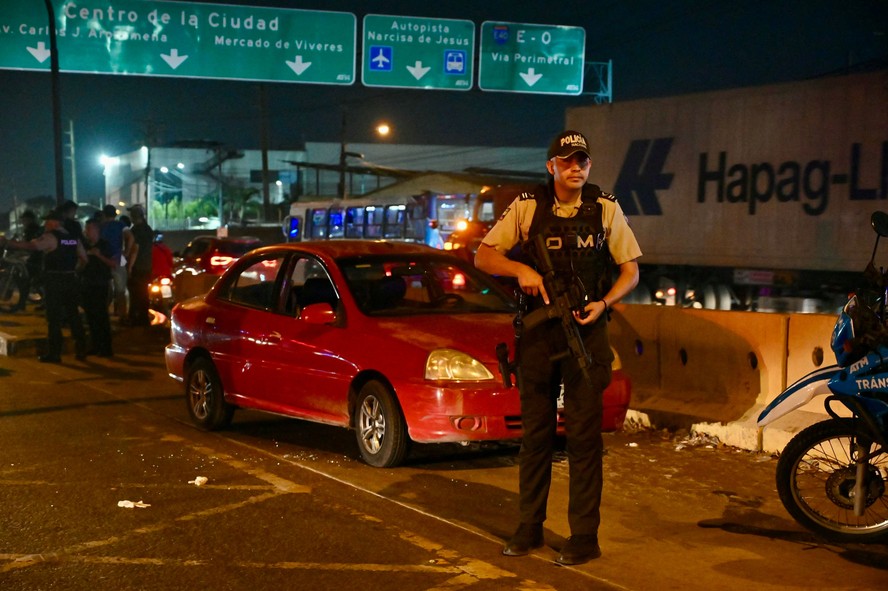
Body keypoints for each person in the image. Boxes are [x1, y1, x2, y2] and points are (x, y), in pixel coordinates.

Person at [474, 130, 642, 565]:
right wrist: (521, 271)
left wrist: (604, 303)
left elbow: (631, 271)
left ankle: (584, 536)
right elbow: (484, 256)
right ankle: (529, 528)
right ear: (551, 166)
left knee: (584, 439)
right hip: (539, 332)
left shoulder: (604, 207)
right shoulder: (529, 205)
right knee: (536, 436)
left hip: (587, 332)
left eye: (581, 160)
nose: (575, 168)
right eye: (567, 161)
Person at [0, 209, 88, 363]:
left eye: (47, 221)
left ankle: (55, 353)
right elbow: (84, 259)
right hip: (70, 279)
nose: (45, 224)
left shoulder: (50, 237)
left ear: (55, 222)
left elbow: (32, 246)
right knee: (73, 314)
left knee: (53, 318)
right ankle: (81, 349)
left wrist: (8, 242)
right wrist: (73, 271)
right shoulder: (73, 238)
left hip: (54, 280)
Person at [80, 218, 116, 357]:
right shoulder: (85, 245)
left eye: (89, 229)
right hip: (87, 283)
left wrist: (98, 255)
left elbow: (114, 263)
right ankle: (95, 345)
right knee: (91, 317)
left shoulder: (105, 245)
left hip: (100, 284)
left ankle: (106, 348)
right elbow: (68, 242)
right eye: (86, 229)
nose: (86, 231)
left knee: (101, 316)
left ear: (96, 230)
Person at [124, 204, 154, 326]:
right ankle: (143, 317)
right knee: (144, 293)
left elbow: (135, 249)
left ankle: (135, 318)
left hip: (137, 266)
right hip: (147, 266)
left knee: (135, 293)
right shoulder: (148, 229)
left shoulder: (136, 230)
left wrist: (130, 266)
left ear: (134, 216)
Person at [100, 204, 129, 319]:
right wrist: (126, 253)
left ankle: (103, 314)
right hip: (119, 258)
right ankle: (123, 316)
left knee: (106, 289)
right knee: (121, 290)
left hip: (104, 259)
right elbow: (131, 238)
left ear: (104, 214)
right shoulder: (121, 225)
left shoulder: (101, 226)